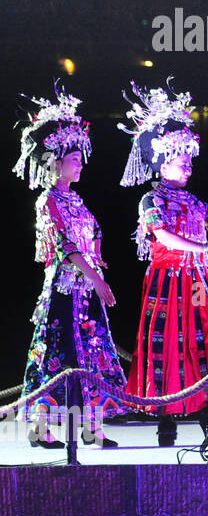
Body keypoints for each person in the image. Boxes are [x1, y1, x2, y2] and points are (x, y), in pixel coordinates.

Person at [120, 81, 208, 446]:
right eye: (180, 160)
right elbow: (161, 235)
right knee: (166, 344)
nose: (188, 165)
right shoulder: (150, 199)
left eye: (190, 160)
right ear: (162, 162)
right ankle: (167, 416)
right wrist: (201, 248)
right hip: (166, 281)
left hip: (195, 284)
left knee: (203, 339)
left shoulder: (192, 200)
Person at [15, 84, 128, 448]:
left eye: (80, 159)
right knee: (57, 353)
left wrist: (97, 257)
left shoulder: (76, 200)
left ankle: (90, 426)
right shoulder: (47, 201)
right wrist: (97, 278)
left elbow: (92, 231)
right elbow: (64, 247)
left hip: (85, 289)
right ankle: (38, 427)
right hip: (65, 288)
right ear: (55, 161)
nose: (80, 164)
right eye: (74, 159)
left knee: (91, 351)